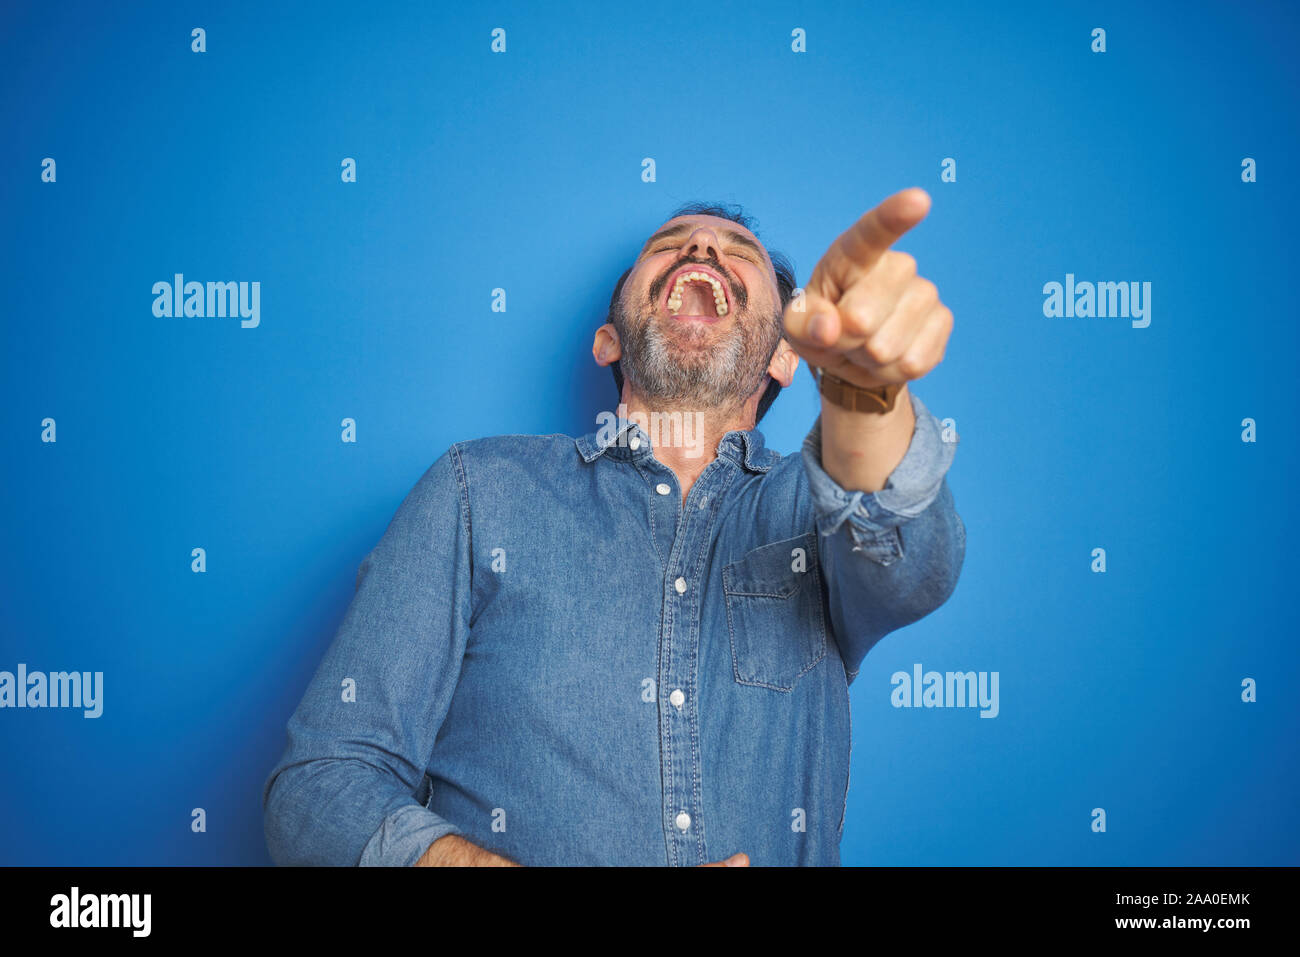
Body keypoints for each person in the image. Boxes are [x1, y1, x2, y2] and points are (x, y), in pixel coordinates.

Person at [262, 187, 964, 866]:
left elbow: (911, 567)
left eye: (737, 249)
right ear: (608, 340)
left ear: (785, 353)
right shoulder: (480, 491)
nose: (700, 244)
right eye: (670, 244)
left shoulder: (812, 510)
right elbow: (321, 788)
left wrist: (862, 396)